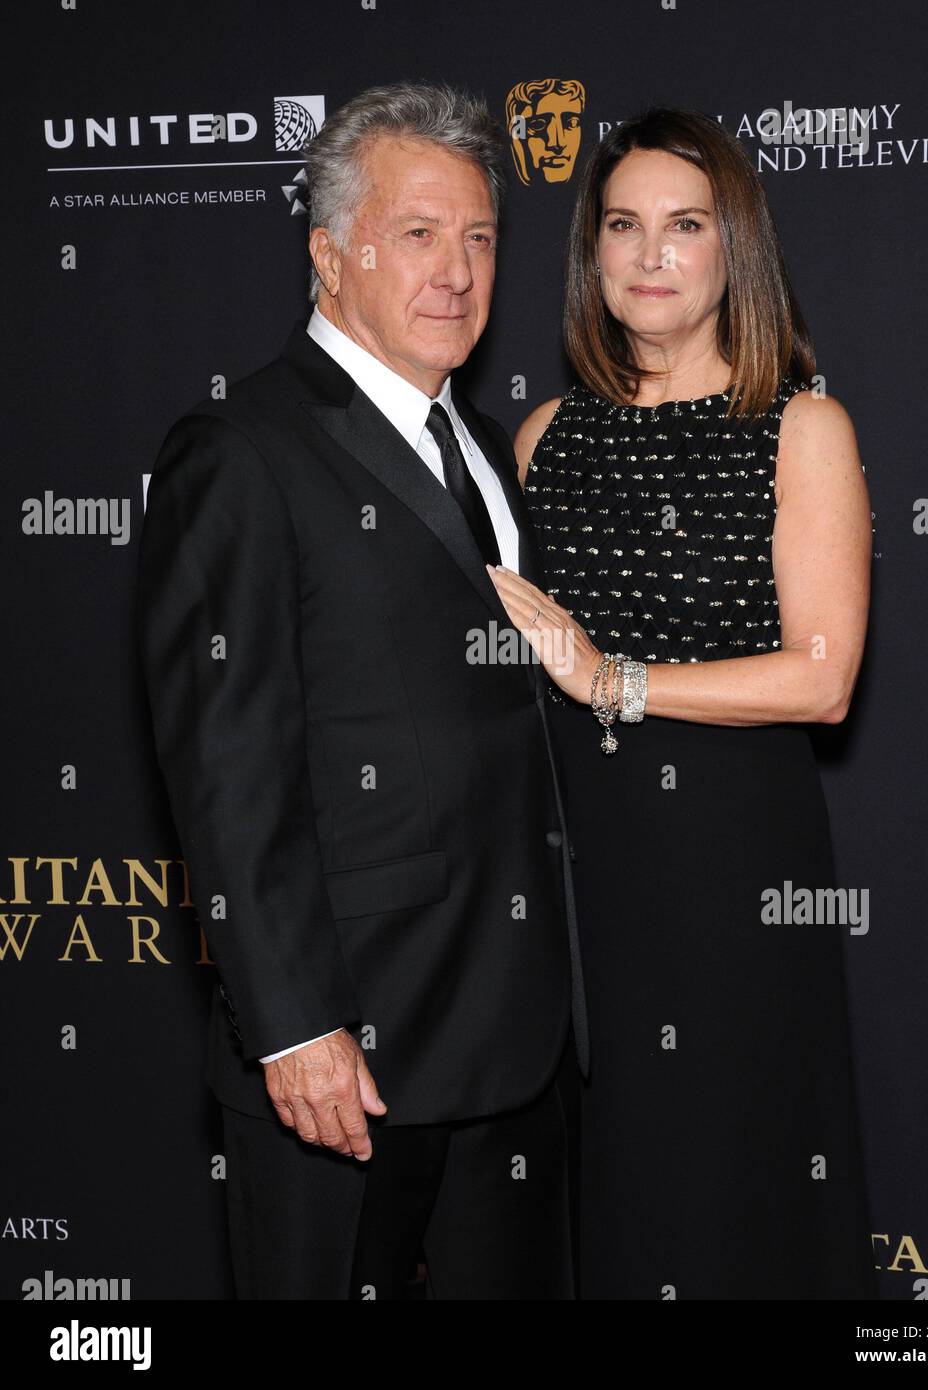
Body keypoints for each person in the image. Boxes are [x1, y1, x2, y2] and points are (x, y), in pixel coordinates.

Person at [136, 81, 588, 1300]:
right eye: (418, 234)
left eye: (481, 237)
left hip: (516, 1044)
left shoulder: (487, 448)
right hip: (348, 1060)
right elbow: (226, 763)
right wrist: (291, 1023)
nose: (456, 270)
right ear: (331, 255)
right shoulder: (241, 451)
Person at [492, 106, 877, 1298]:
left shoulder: (798, 427)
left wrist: (616, 679)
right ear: (589, 253)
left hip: (732, 876)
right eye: (621, 225)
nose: (649, 255)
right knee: (610, 1192)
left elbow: (821, 676)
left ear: (732, 250)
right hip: (580, 877)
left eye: (683, 225)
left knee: (734, 1185)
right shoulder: (543, 437)